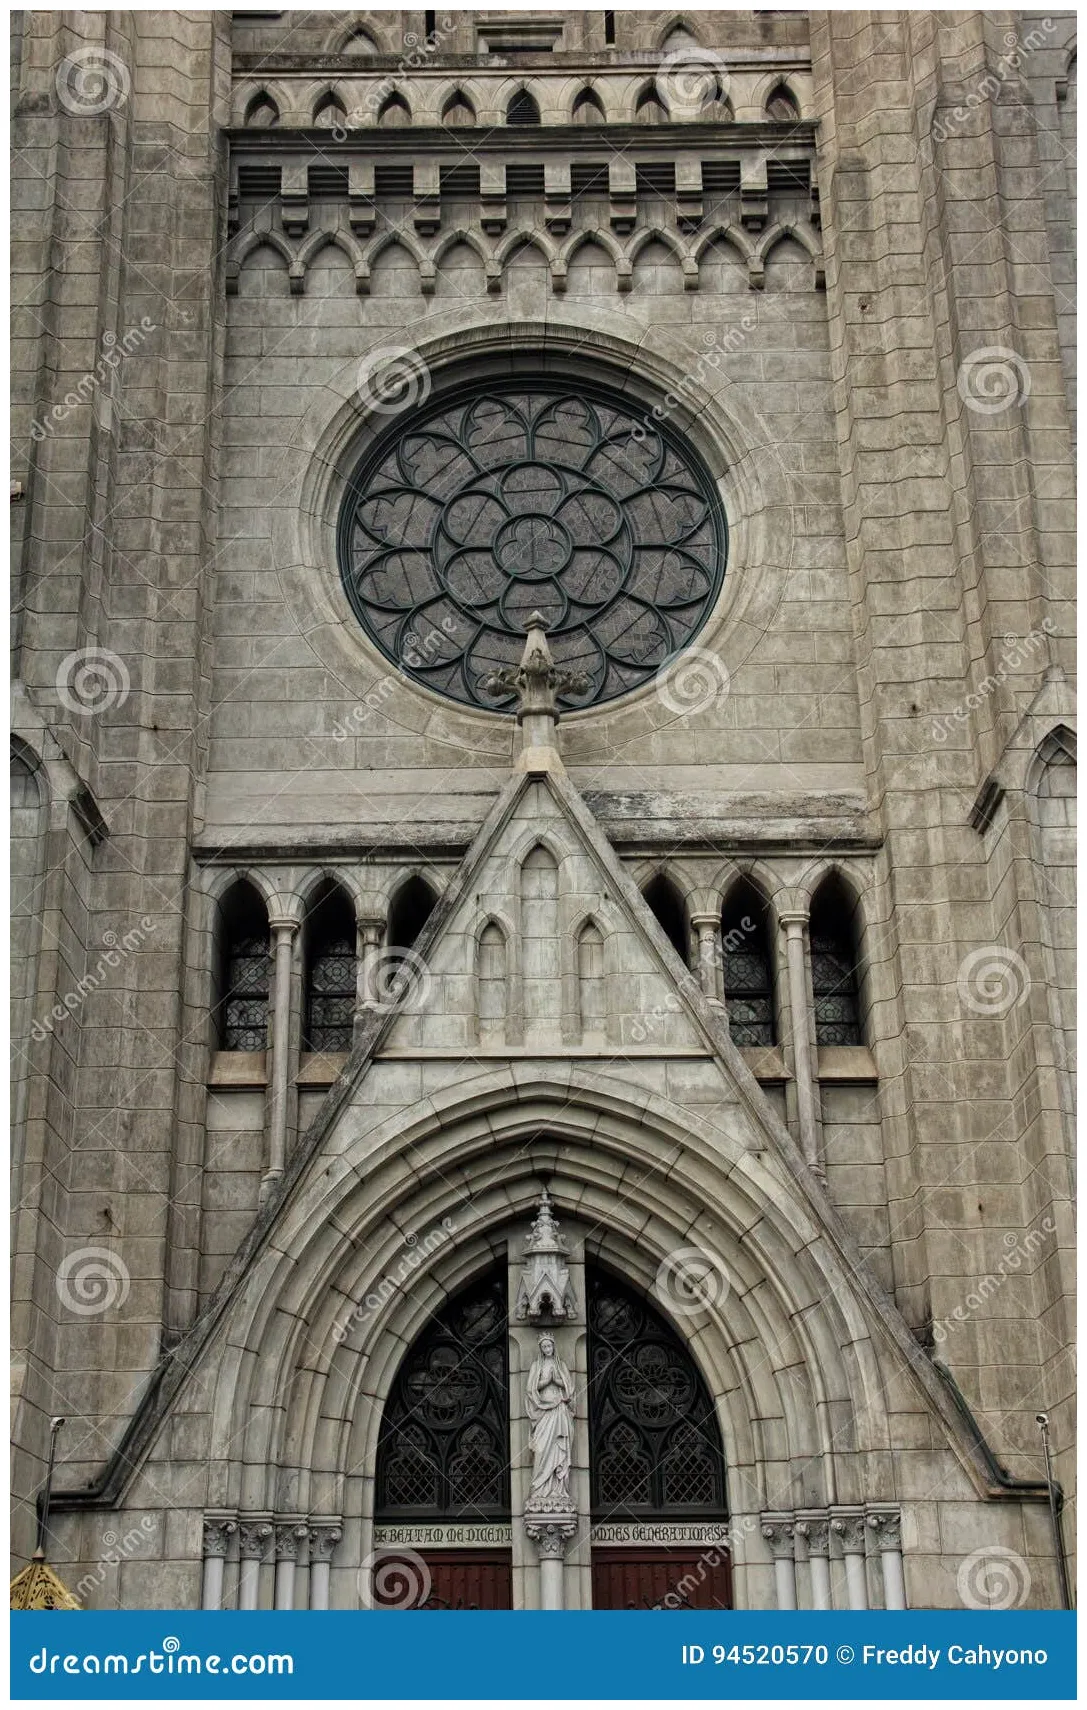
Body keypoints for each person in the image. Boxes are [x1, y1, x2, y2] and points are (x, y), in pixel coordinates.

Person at [525, 1333, 575, 1508]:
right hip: (543, 1410)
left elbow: (569, 1388)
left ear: (554, 1346)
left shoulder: (560, 1365)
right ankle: (540, 1490)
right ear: (540, 1349)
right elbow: (531, 1388)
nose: (547, 1349)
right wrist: (546, 1381)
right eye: (544, 1347)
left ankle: (558, 1490)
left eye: (549, 1346)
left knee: (558, 1448)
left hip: (559, 1408)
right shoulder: (535, 1366)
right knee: (541, 1449)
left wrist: (557, 1380)